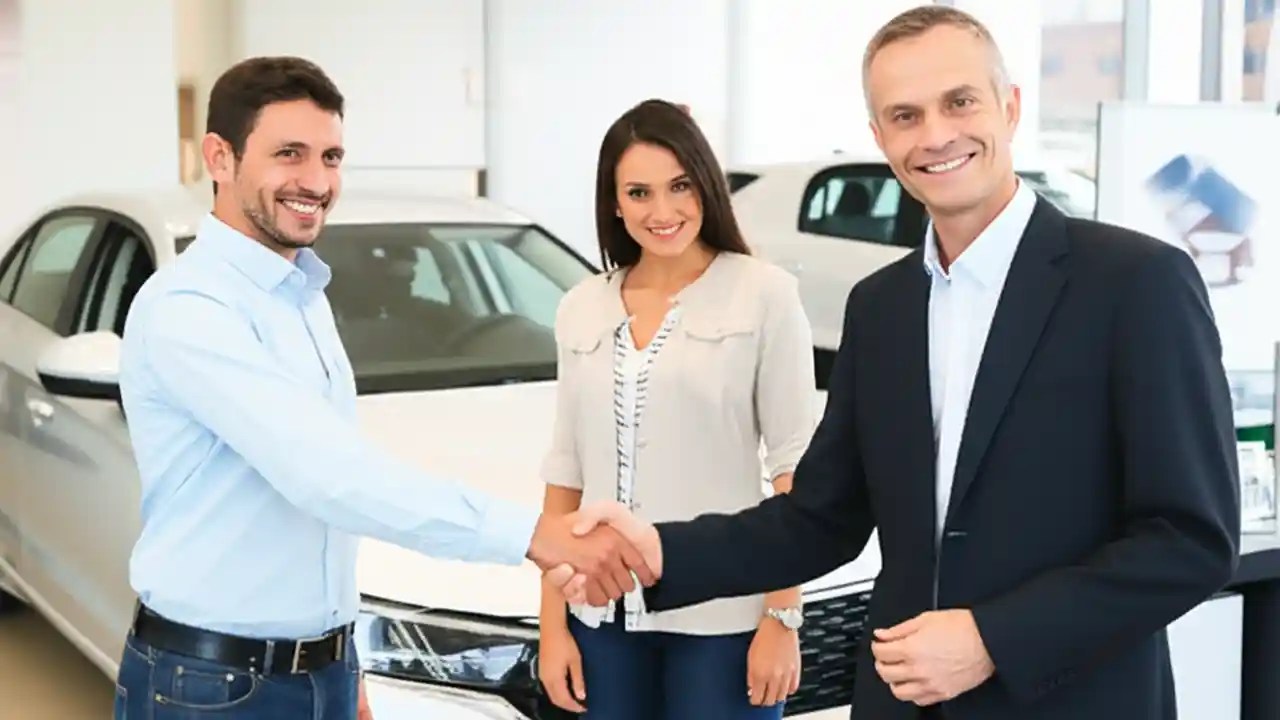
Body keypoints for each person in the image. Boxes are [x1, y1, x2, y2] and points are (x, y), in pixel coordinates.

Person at [555, 7, 1241, 720]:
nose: (936, 135)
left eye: (960, 102)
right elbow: (821, 518)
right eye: (905, 116)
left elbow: (1190, 539)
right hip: (901, 703)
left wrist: (992, 639)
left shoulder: (1135, 283)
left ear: (1009, 107)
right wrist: (659, 551)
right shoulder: (881, 307)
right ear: (880, 138)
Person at [113, 56, 652, 720]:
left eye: (332, 156)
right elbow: (328, 476)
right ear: (220, 158)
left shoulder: (303, 294)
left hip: (320, 672)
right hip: (213, 686)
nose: (316, 181)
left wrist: (342, 663)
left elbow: (317, 517)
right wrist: (538, 536)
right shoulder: (189, 308)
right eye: (290, 154)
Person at [536, 99, 818, 719]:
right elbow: (566, 478)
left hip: (727, 617)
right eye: (639, 192)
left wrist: (782, 616)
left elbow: (794, 471)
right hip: (600, 616)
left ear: (705, 185)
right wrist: (552, 627)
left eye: (679, 186)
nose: (662, 212)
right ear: (614, 203)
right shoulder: (582, 305)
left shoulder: (764, 295)